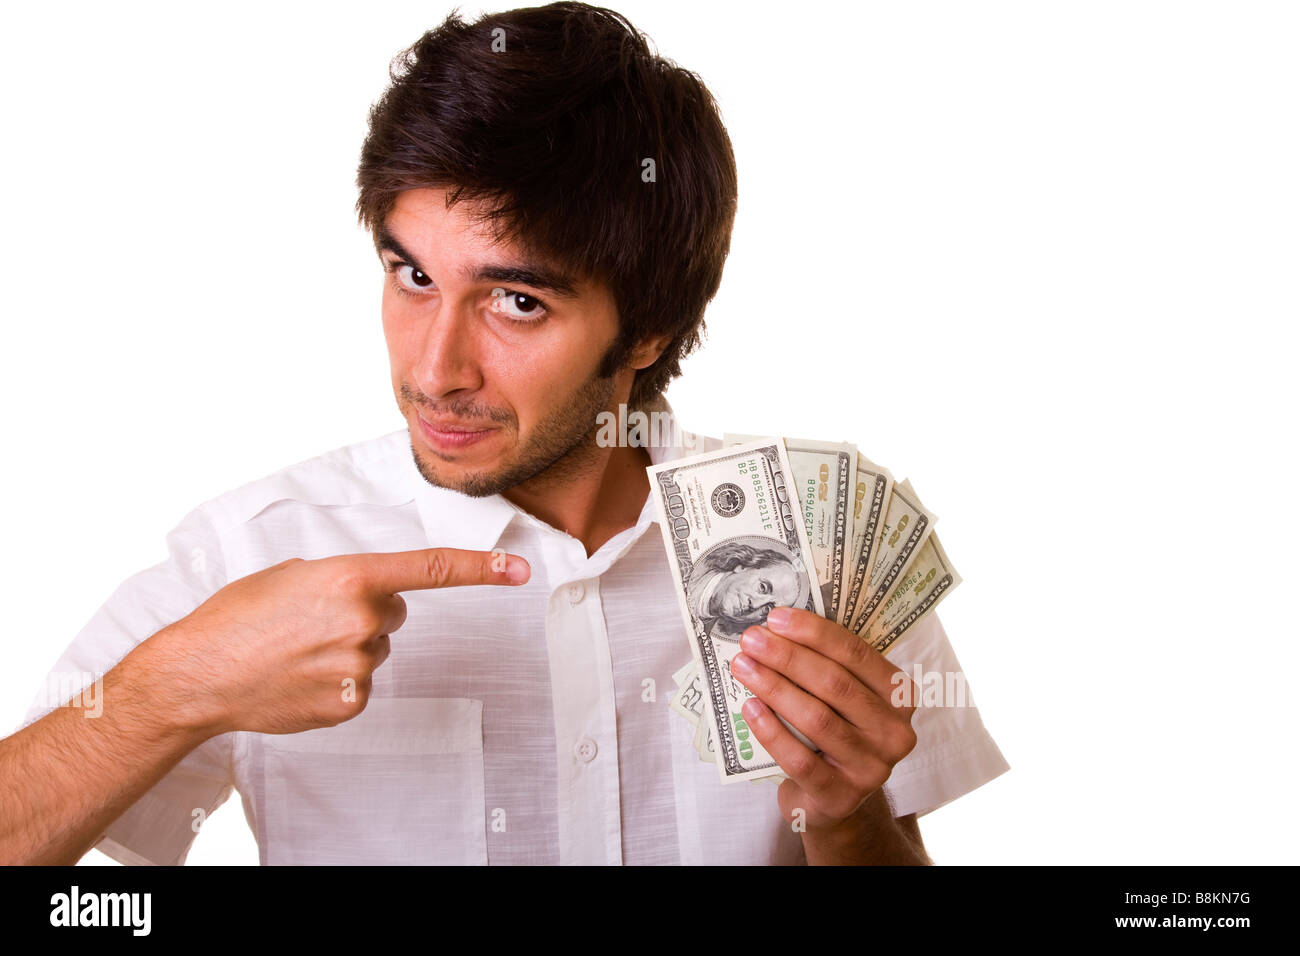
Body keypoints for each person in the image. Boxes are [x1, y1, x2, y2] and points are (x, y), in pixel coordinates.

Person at [0, 1, 1008, 866]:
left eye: (516, 301)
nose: (433, 369)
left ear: (647, 328)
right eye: (413, 276)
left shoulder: (817, 550)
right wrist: (173, 687)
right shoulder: (251, 550)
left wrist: (847, 815)